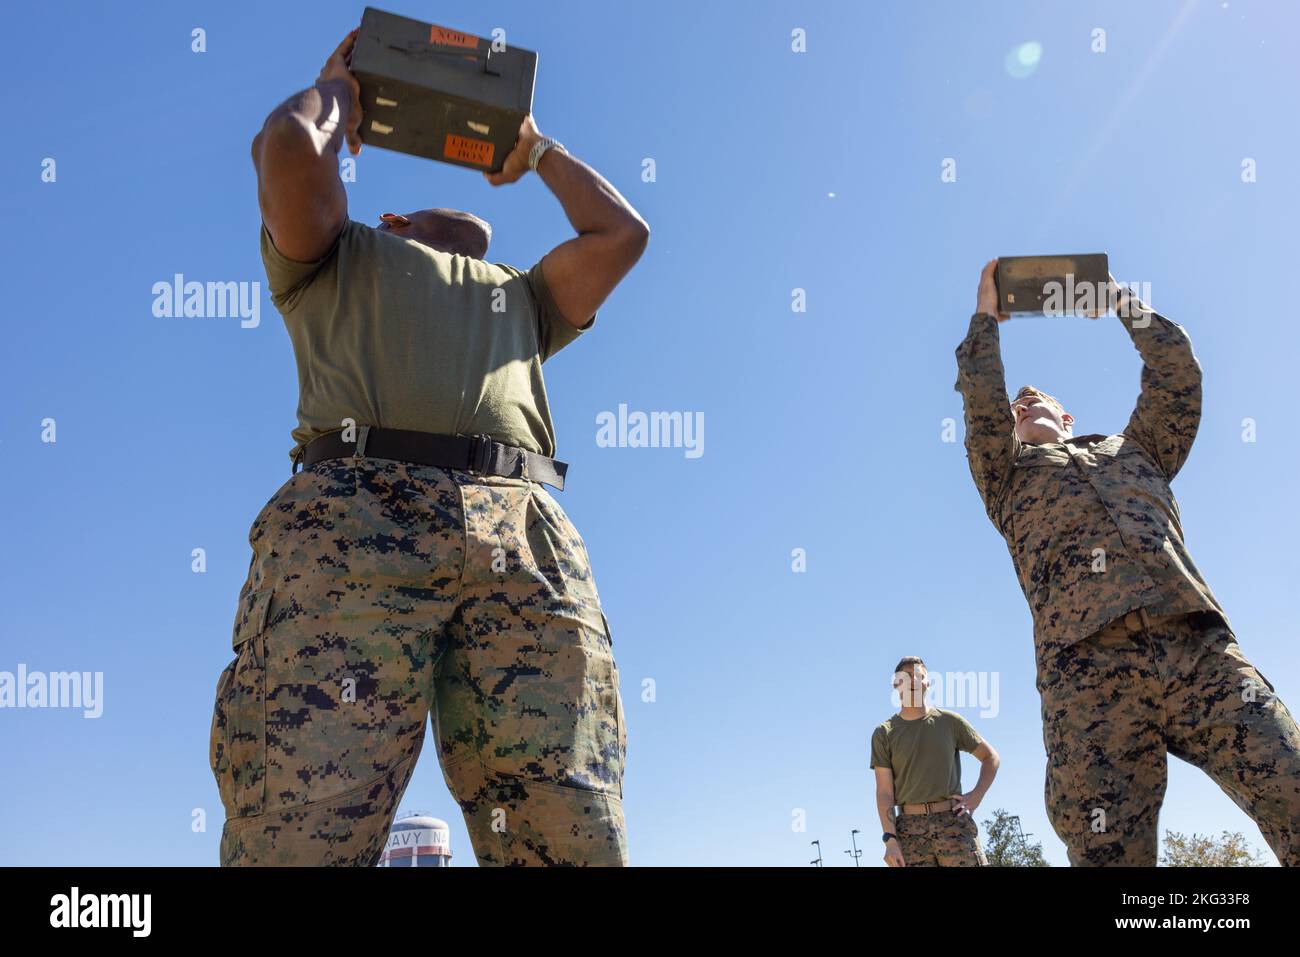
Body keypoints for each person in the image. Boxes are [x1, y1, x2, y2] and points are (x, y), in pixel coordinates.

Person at [208, 29, 649, 866]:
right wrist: (342, 97)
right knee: (300, 823)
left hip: (521, 531)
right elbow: (289, 148)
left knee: (571, 828)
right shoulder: (338, 256)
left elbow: (622, 235)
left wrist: (537, 149)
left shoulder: (521, 296)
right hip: (356, 521)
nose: (476, 221)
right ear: (393, 219)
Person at [954, 259, 1300, 865]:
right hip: (1088, 681)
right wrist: (986, 314)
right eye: (1016, 406)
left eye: (1039, 398)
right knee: (1109, 855)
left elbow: (1176, 373)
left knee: (1292, 784)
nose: (1023, 399)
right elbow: (982, 403)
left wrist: (1119, 302)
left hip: (1199, 651)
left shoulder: (1137, 450)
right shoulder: (1005, 478)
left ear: (1069, 419)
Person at [871, 656, 999, 867]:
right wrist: (890, 839)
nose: (913, 681)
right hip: (909, 833)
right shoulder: (884, 733)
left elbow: (991, 757)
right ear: (896, 684)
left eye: (919, 676)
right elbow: (884, 792)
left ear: (928, 682)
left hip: (954, 824)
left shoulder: (950, 722)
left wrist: (976, 795)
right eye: (906, 677)